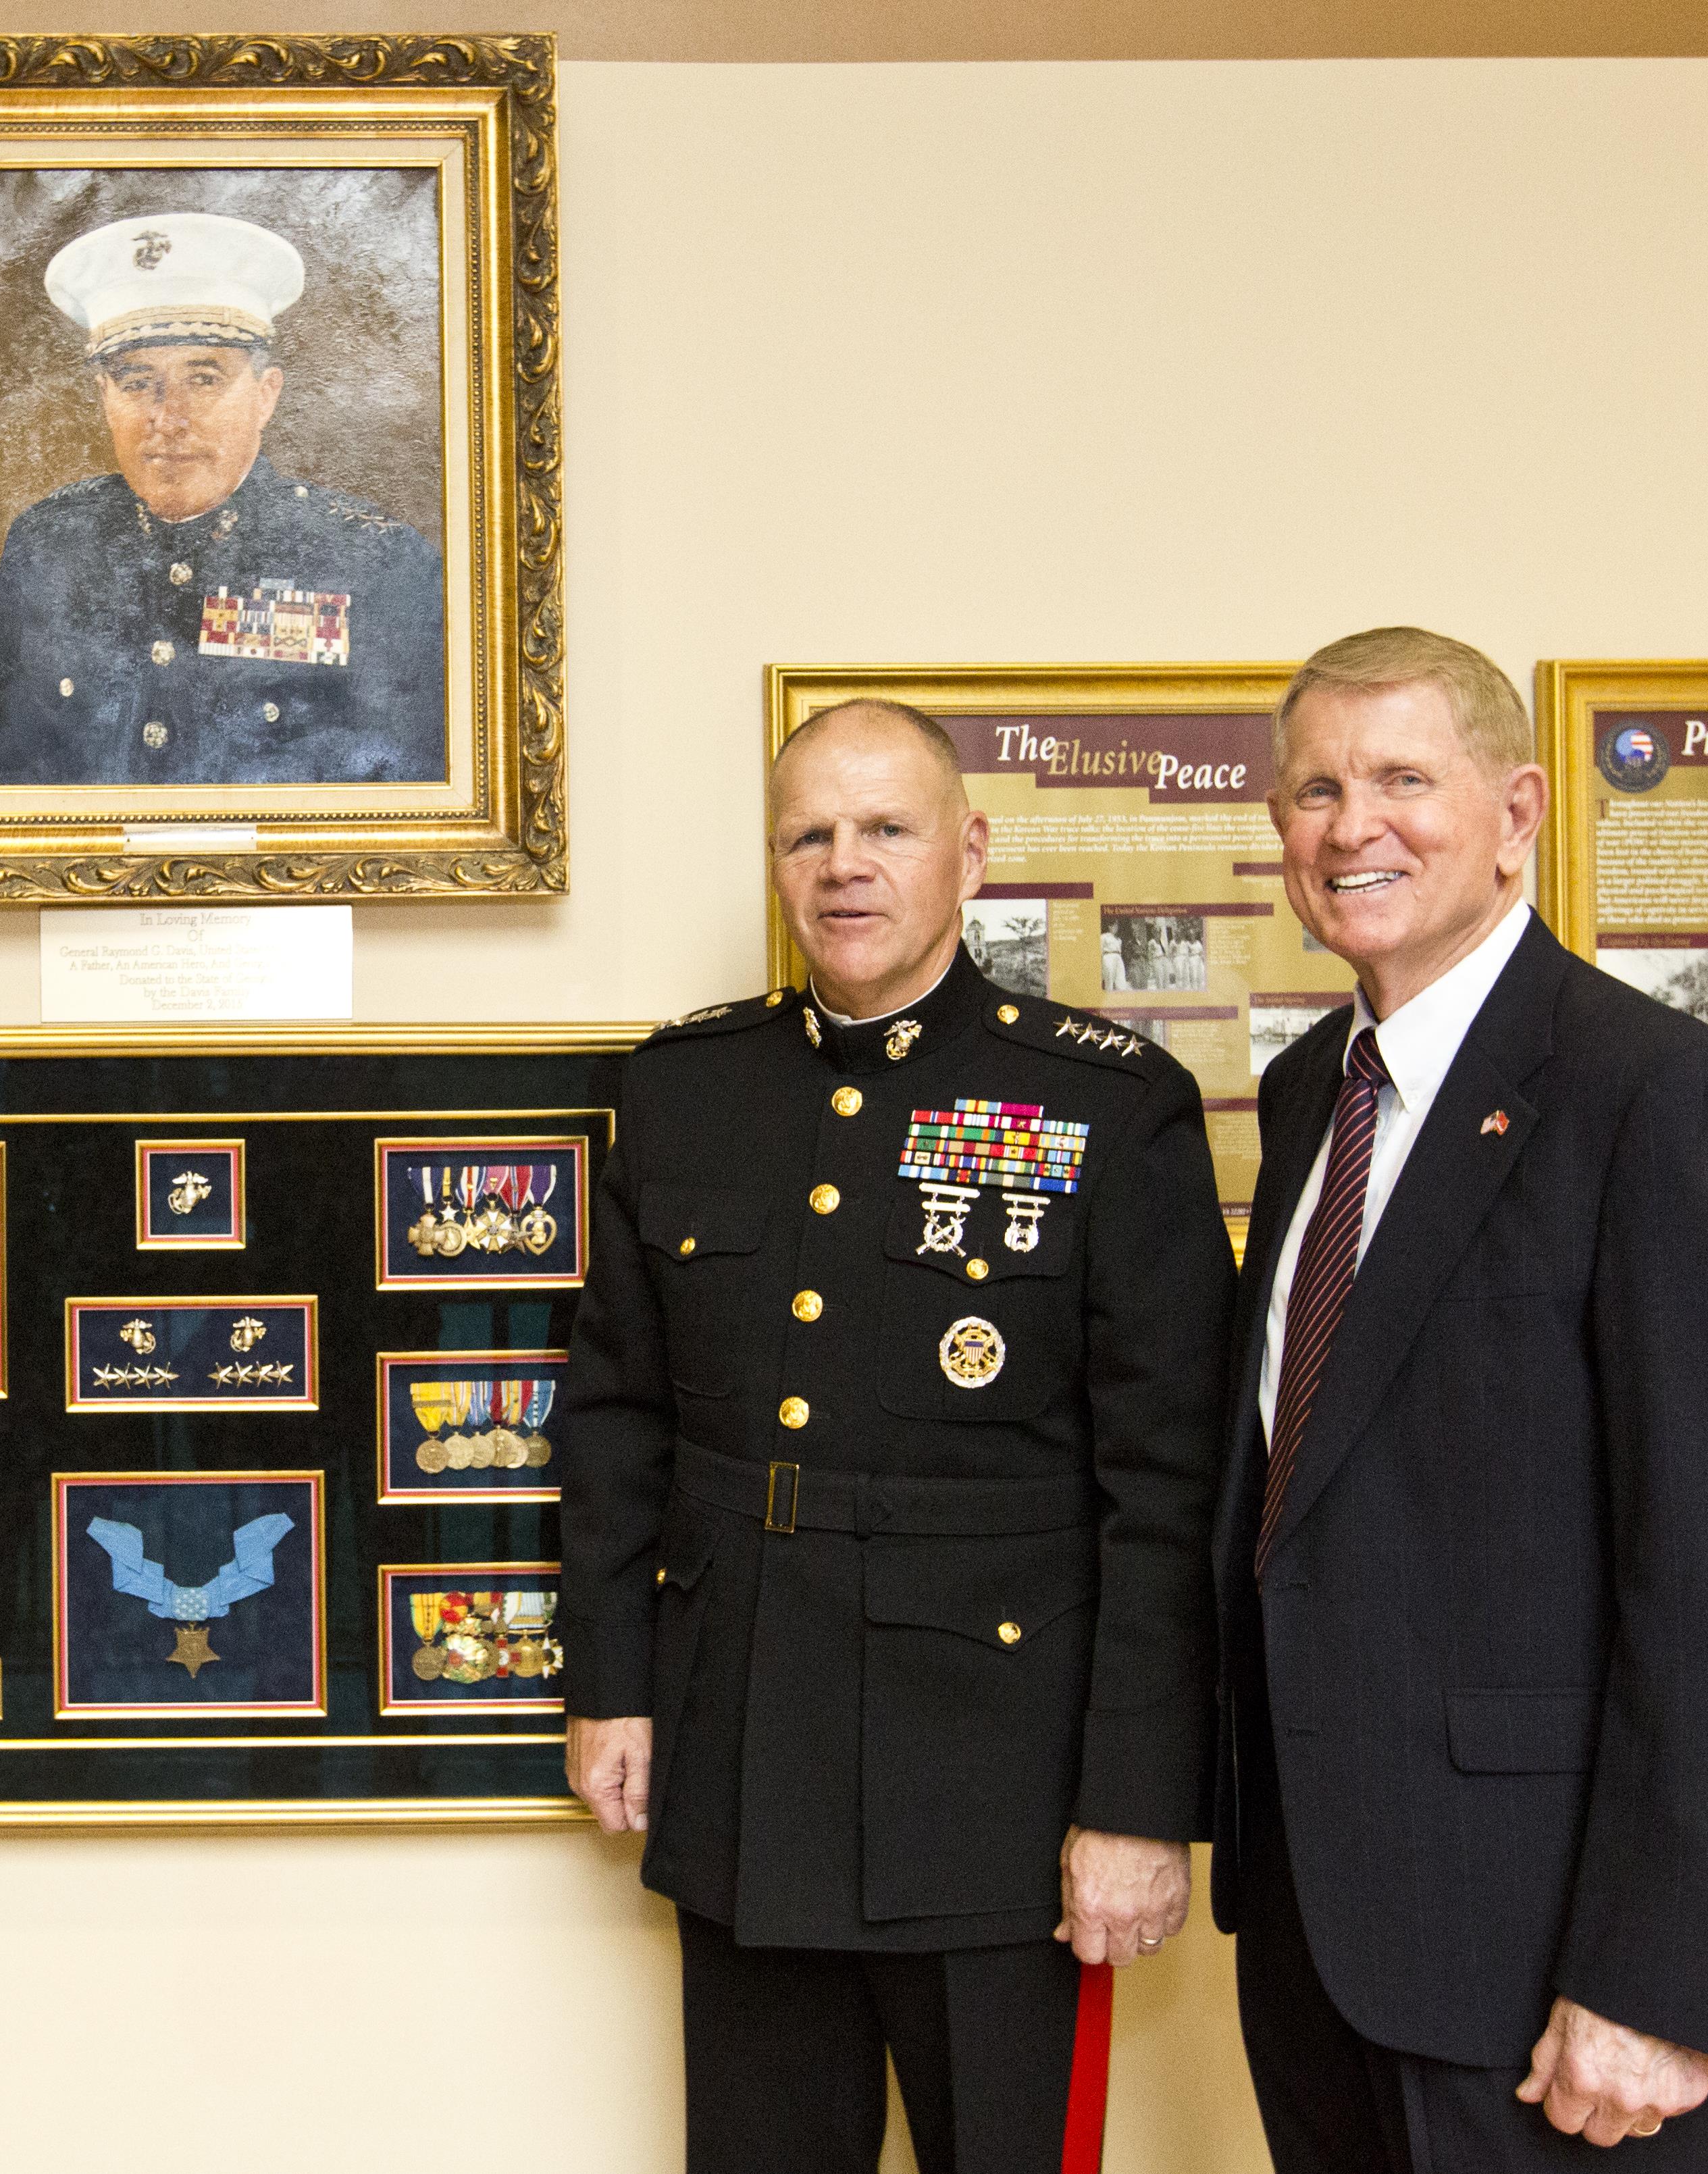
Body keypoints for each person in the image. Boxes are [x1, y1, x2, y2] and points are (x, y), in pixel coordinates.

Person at [1214, 627, 1708, 2171]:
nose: (1348, 822)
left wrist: (1659, 1978)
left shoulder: (1665, 1101)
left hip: (1551, 1972)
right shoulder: (1313, 1089)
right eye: (1313, 786)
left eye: (1398, 779)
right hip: (1318, 1944)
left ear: (1512, 814)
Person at [557, 700, 1234, 2172]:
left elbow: (1167, 1489)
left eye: (885, 829)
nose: (842, 865)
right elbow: (613, 1416)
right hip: (743, 1757)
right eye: (808, 833)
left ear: (965, 853)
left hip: (995, 1793)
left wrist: (1133, 1802)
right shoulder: (684, 1090)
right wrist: (611, 1684)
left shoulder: (1103, 1105)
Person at [0, 209, 448, 787]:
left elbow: (414, 820)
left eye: (203, 379)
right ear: (103, 396)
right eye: (137, 383)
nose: (168, 418)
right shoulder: (48, 546)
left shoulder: (377, 565)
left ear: (265, 396)